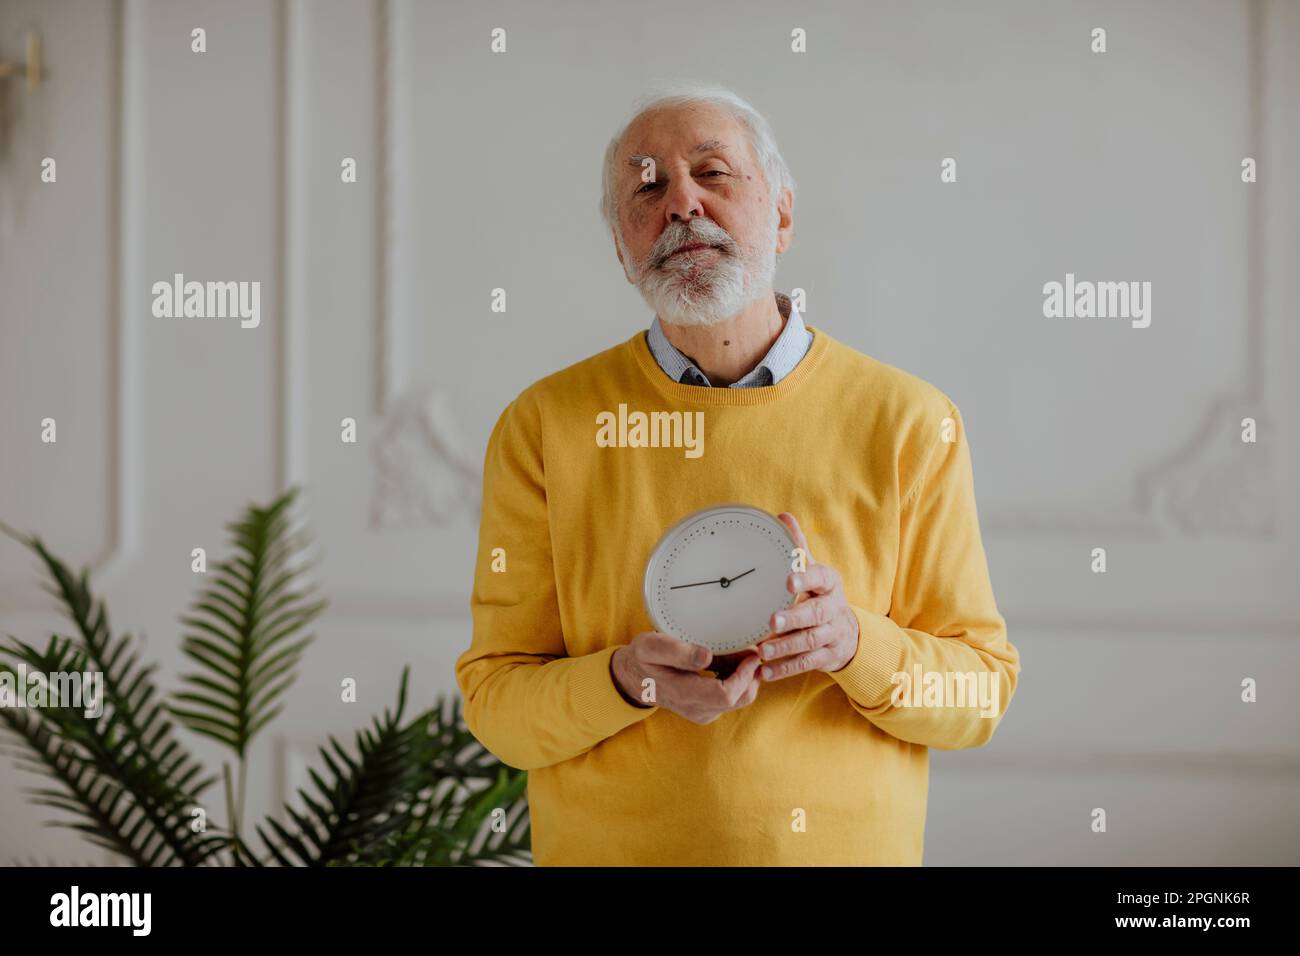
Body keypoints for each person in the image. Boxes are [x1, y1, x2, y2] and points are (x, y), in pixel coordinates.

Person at [454, 83, 1020, 865]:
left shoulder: (910, 422)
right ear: (622, 249)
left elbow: (978, 695)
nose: (681, 202)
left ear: (783, 213)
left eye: (713, 173)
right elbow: (497, 705)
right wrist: (625, 680)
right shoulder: (543, 426)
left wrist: (854, 643)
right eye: (647, 185)